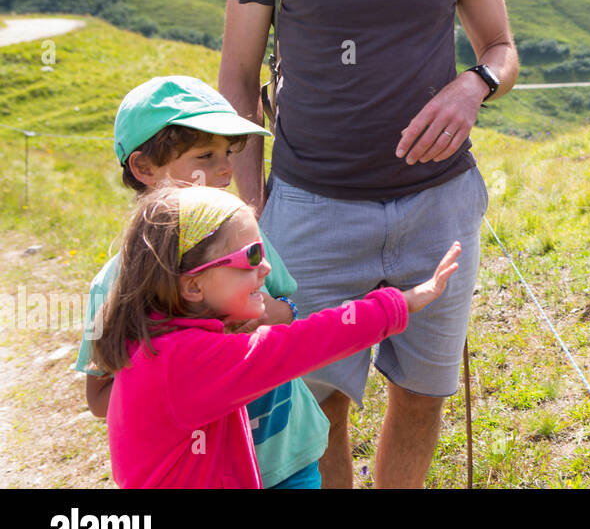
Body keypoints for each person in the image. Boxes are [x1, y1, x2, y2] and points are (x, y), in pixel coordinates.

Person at [220, 0, 519, 488]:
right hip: (311, 212)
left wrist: (473, 85)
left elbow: (503, 47)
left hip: (438, 207)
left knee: (421, 398)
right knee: (318, 407)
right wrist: (250, 210)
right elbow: (236, 77)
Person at [93, 184, 459, 488]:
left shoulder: (163, 340)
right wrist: (401, 303)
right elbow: (311, 340)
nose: (266, 267)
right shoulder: (191, 360)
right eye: (251, 256)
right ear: (193, 286)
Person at [74, 75, 331, 488]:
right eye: (205, 156)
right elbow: (100, 399)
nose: (226, 168)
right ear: (144, 168)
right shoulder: (114, 283)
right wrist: (177, 374)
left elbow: (288, 312)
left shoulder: (250, 241)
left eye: (228, 152)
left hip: (286, 456)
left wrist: (264, 318)